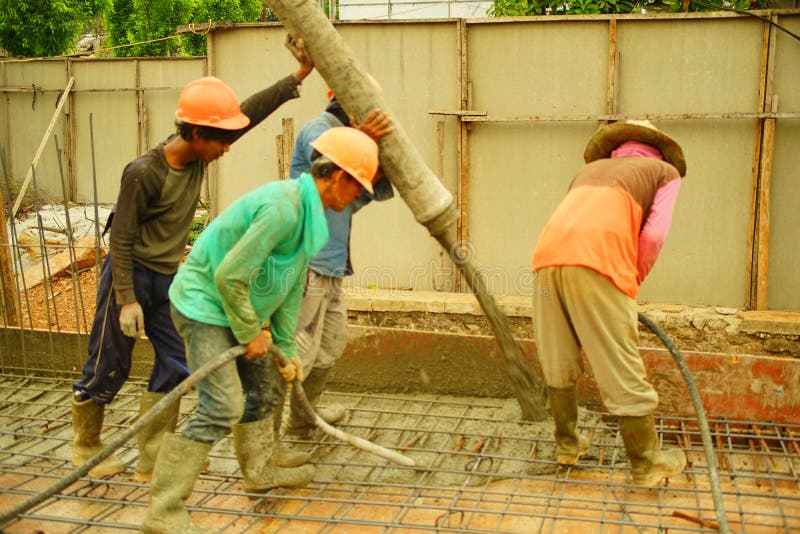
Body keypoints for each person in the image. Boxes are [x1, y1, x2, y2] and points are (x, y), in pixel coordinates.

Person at [70, 35, 314, 481]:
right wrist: (126, 299)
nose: (228, 147)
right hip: (129, 276)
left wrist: (298, 75)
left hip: (169, 279)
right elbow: (120, 239)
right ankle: (85, 445)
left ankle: (152, 457)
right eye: (221, 140)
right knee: (109, 363)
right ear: (197, 134)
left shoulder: (200, 153)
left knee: (178, 363)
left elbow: (249, 114)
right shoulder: (143, 173)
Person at [141, 127, 380, 533]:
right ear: (339, 177)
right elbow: (229, 276)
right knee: (221, 406)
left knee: (266, 385)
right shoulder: (282, 208)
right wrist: (252, 332)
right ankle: (163, 511)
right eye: (358, 186)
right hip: (204, 306)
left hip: (235, 309)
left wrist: (285, 347)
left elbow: (290, 286)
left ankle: (259, 470)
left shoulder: (311, 218)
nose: (359, 196)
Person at [530, 119, 687, 487]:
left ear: (617, 148)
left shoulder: (588, 171)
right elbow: (654, 235)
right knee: (620, 362)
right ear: (658, 150)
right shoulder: (664, 172)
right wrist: (631, 278)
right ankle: (646, 462)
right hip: (599, 262)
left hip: (546, 262)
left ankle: (567, 444)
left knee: (558, 357)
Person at [277, 85, 394, 448]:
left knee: (329, 345)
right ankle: (271, 440)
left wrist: (377, 164)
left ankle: (303, 417)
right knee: (297, 352)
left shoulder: (346, 142)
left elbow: (353, 195)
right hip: (307, 263)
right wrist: (362, 141)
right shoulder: (319, 129)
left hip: (331, 266)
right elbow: (328, 165)